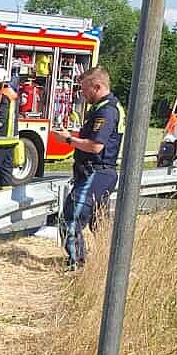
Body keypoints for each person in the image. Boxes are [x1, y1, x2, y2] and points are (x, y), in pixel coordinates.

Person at [55, 66, 124, 270]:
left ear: (97, 86)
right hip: (97, 171)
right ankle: (108, 263)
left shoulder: (107, 110)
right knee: (98, 222)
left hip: (97, 171)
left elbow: (95, 146)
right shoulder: (103, 107)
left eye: (85, 90)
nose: (82, 95)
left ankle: (77, 265)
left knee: (71, 217)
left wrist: (67, 139)